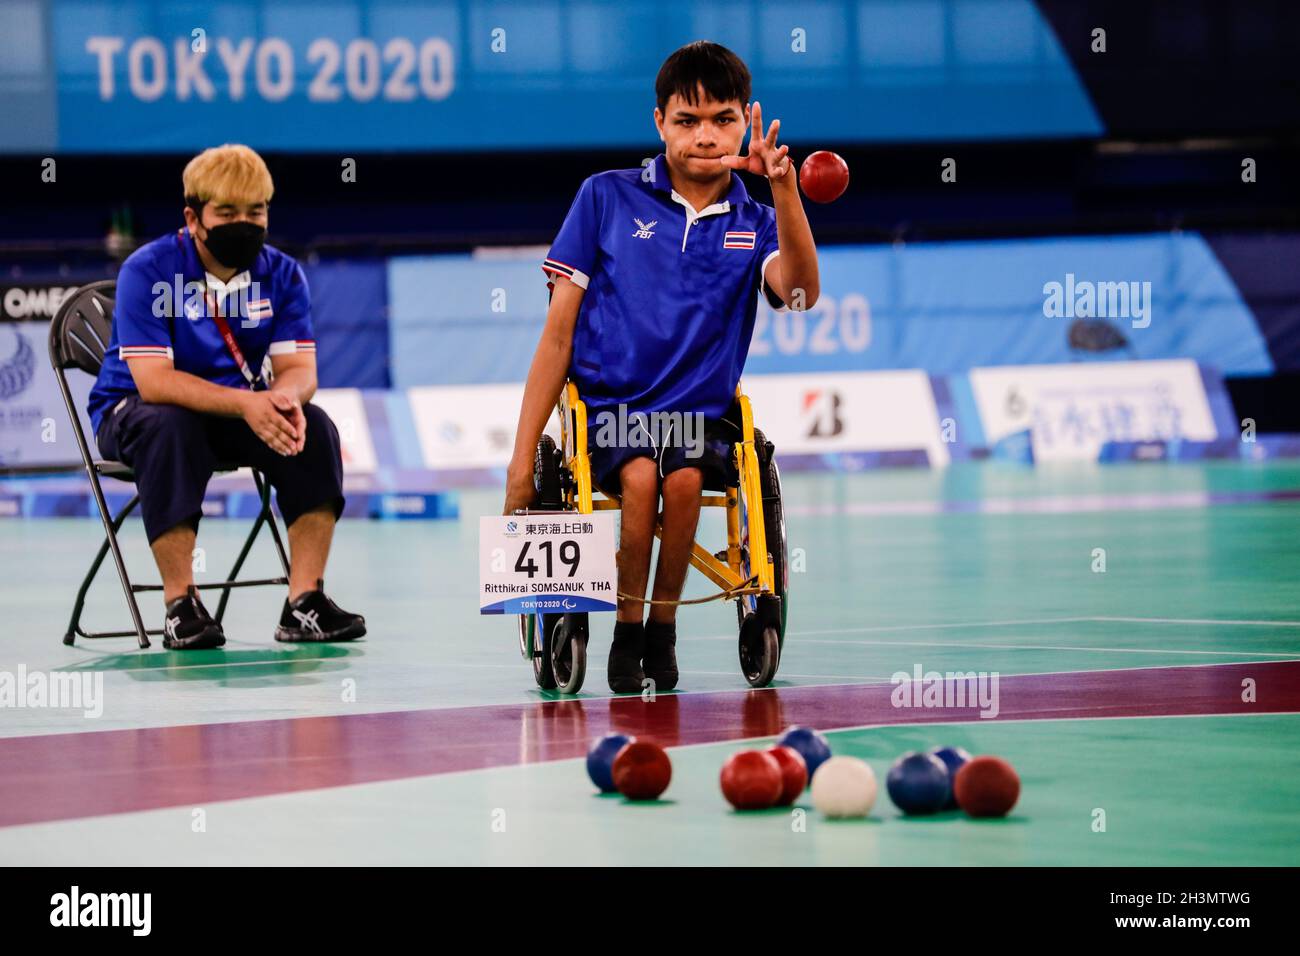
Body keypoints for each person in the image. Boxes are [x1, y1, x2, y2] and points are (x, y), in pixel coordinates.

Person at [503, 42, 819, 692]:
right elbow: (557, 336)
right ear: (659, 123)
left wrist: (784, 190)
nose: (705, 135)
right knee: (643, 478)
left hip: (700, 419)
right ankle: (626, 629)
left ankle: (663, 630)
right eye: (687, 120)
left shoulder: (756, 221)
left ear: (744, 122)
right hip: (614, 414)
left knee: (679, 484)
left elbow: (800, 293)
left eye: (723, 119)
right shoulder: (604, 198)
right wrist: (520, 456)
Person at [87, 144, 365, 650]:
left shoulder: (281, 275)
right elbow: (155, 382)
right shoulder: (147, 270)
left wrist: (283, 401)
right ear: (193, 217)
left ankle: (304, 601)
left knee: (316, 427)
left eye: (255, 212)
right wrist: (247, 404)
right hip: (134, 413)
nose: (245, 223)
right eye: (228, 213)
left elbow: (300, 370)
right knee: (170, 426)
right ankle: (180, 605)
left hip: (236, 410)